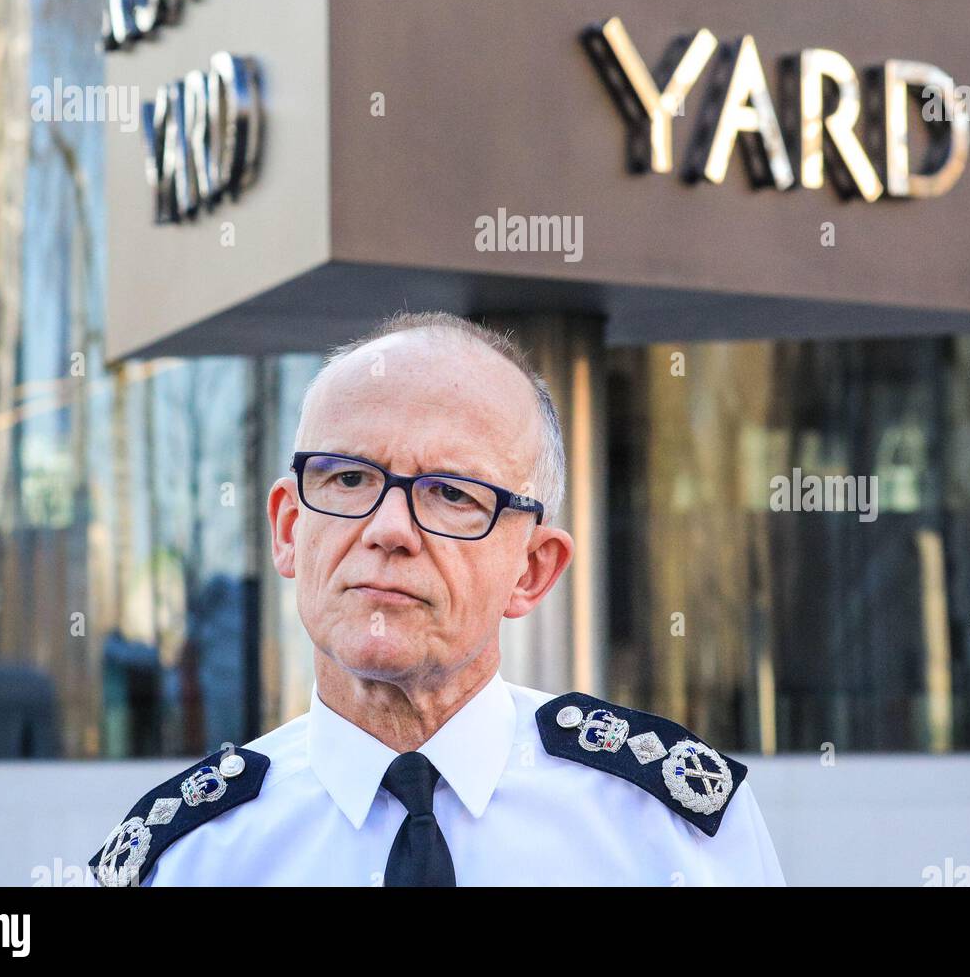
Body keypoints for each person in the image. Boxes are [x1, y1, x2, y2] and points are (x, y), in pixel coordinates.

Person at [90, 311, 786, 887]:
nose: (388, 530)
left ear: (533, 570)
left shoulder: (665, 831)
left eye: (452, 493)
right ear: (287, 529)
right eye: (348, 479)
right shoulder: (183, 861)